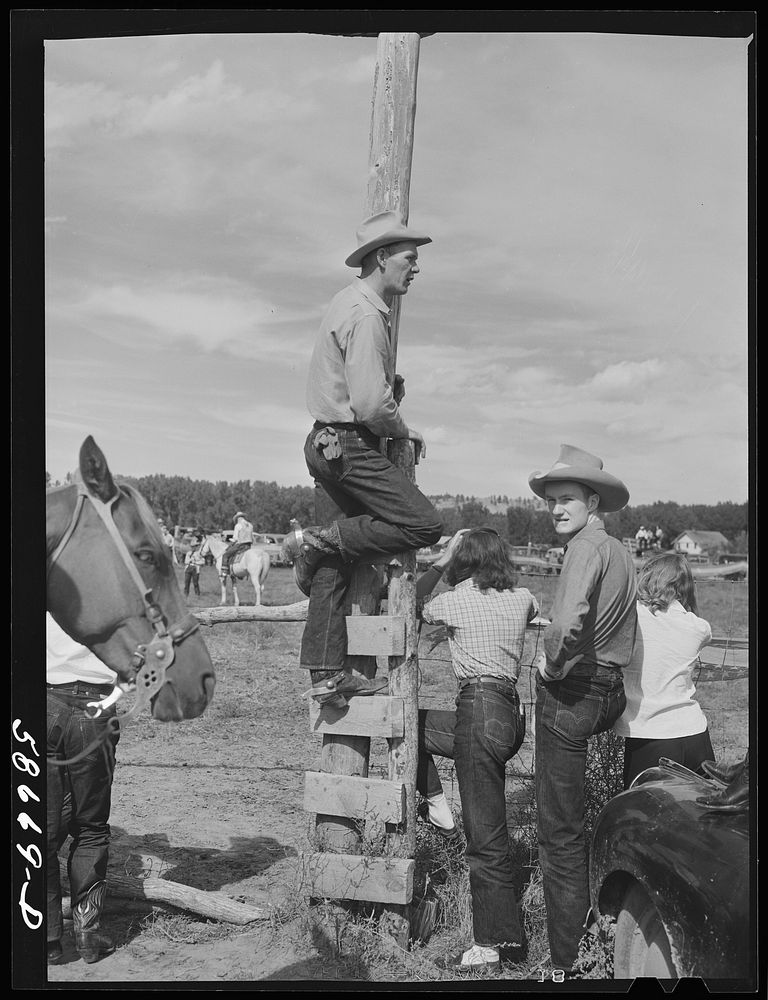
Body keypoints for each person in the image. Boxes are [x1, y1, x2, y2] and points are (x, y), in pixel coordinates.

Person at [282, 210, 443, 691]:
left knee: (333, 567)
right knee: (425, 524)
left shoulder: (346, 302)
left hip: (322, 441)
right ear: (381, 257)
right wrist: (403, 428)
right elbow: (371, 404)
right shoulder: (368, 316)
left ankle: (326, 675)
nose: (416, 268)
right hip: (350, 442)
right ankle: (319, 539)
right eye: (410, 258)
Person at [528, 444, 637, 977]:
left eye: (566, 498)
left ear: (593, 501)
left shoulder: (583, 549)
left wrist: (551, 665)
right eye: (552, 500)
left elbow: (567, 621)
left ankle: (567, 964)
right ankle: (600, 928)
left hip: (574, 691)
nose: (556, 509)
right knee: (583, 823)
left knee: (559, 831)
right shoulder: (620, 552)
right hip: (610, 688)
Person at [415, 528, 539, 973]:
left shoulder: (455, 599)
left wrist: (440, 560)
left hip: (478, 707)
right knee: (414, 729)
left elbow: (410, 602)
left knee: (485, 836)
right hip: (509, 716)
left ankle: (493, 946)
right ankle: (436, 805)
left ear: (463, 561)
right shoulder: (522, 597)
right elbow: (537, 610)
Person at [46, 613, 120, 965]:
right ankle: (88, 935)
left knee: (39, 829)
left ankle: (45, 938)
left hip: (47, 700)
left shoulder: (44, 577)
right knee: (91, 828)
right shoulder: (115, 583)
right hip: (98, 705)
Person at [614, 551, 714, 787]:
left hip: (649, 736)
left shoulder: (630, 617)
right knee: (699, 819)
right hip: (695, 734)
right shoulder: (699, 628)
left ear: (647, 577)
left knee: (643, 820)